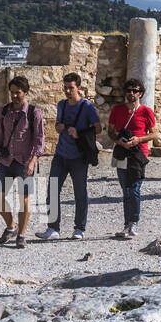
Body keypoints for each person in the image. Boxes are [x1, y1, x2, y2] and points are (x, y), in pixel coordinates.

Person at [36, 73, 101, 241]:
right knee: (52, 191)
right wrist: (59, 127)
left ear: (78, 87)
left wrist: (78, 133)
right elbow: (58, 123)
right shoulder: (61, 105)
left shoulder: (87, 107)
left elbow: (98, 128)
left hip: (79, 157)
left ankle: (79, 228)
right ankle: (53, 228)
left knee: (80, 193)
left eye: (71, 87)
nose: (67, 90)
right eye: (65, 87)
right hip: (61, 154)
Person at [0, 75, 45, 249]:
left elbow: (39, 140)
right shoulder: (4, 111)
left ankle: (21, 234)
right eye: (12, 92)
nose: (14, 96)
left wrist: (32, 161)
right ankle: (11, 226)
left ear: (25, 93)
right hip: (5, 162)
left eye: (17, 93)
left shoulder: (34, 113)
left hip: (24, 162)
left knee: (24, 200)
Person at [106, 79, 155, 239]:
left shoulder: (146, 111)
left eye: (135, 90)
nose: (131, 93)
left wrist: (138, 140)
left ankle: (134, 222)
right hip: (122, 152)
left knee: (134, 188)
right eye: (128, 90)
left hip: (138, 154)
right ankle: (127, 224)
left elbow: (153, 133)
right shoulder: (117, 110)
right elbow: (111, 131)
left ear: (140, 93)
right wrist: (119, 141)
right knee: (125, 190)